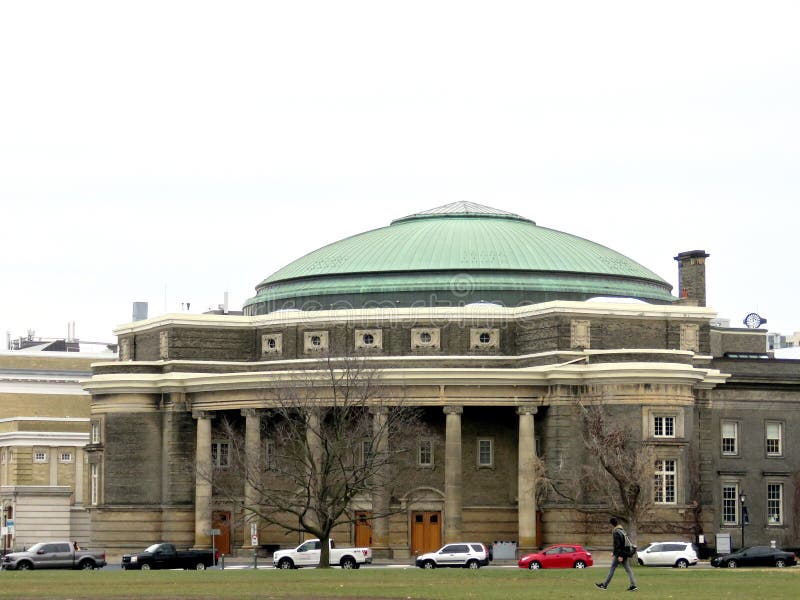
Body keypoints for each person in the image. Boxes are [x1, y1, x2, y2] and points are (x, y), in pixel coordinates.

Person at [596, 517, 637, 591]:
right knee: (628, 569)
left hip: (621, 553)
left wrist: (619, 555)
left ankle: (604, 585)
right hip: (624, 552)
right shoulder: (621, 530)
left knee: (612, 568)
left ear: (612, 524)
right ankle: (633, 585)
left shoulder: (616, 532)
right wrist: (614, 552)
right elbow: (621, 544)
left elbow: (618, 545)